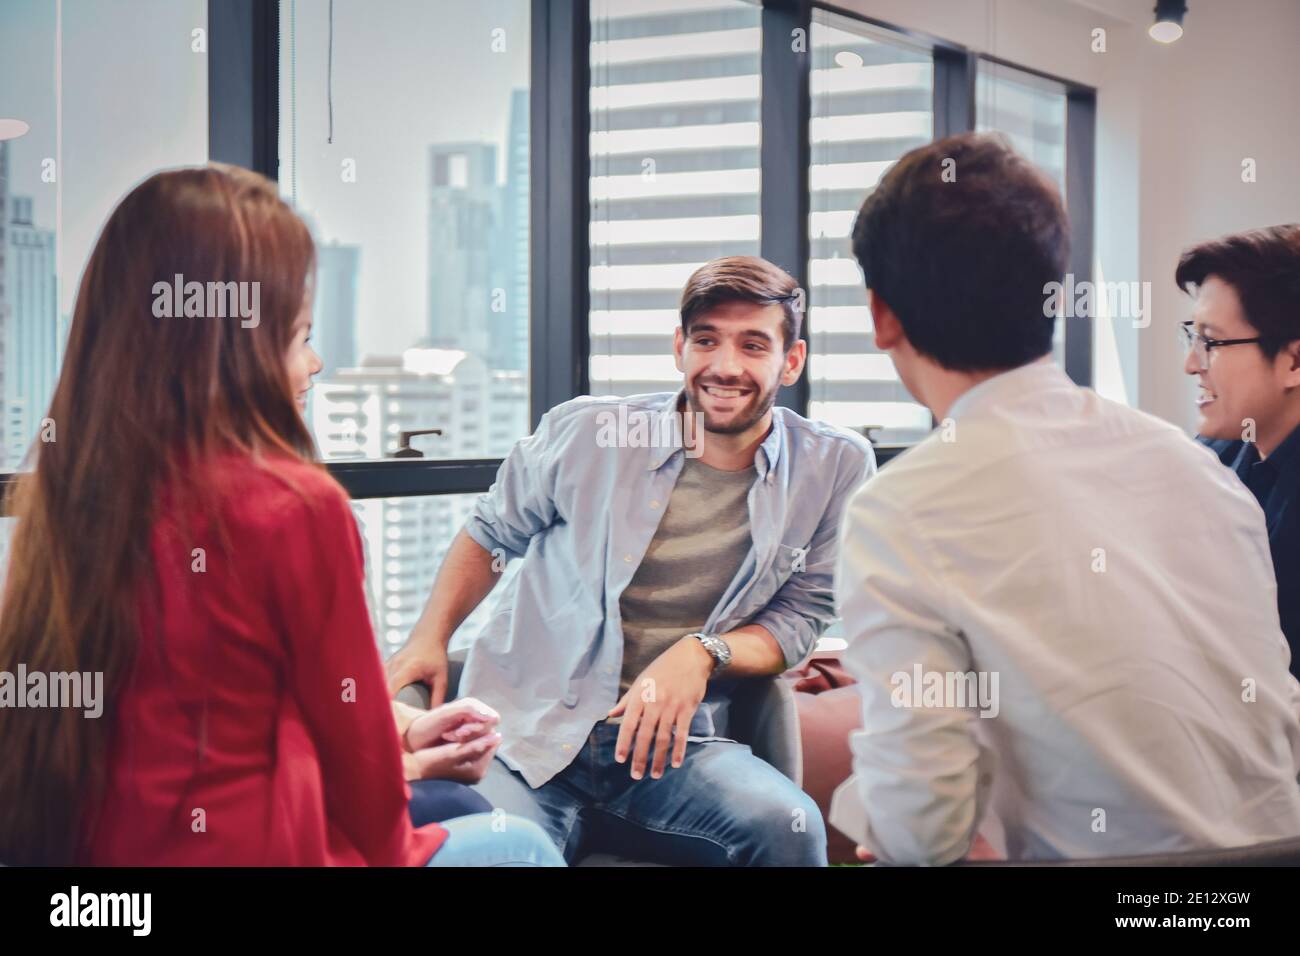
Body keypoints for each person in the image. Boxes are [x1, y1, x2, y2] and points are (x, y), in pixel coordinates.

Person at [0, 164, 561, 867]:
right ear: (232, 349)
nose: (315, 363)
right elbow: (371, 814)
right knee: (524, 846)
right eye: (299, 337)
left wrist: (403, 746)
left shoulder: (66, 495)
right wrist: (399, 779)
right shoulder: (293, 509)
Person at [827, 132, 1300, 865]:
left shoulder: (899, 511)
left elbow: (922, 828)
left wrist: (891, 830)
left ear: (881, 315)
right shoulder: (1200, 469)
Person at [387, 256, 875, 866]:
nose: (725, 367)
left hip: (676, 748)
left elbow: (802, 618)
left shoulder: (835, 467)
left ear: (791, 360)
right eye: (706, 341)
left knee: (789, 829)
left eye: (753, 345)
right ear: (679, 348)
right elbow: (491, 533)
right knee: (508, 850)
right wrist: (430, 637)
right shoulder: (589, 433)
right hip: (526, 734)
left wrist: (702, 652)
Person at [1177, 225, 1300, 678]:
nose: (1192, 363)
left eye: (1212, 341)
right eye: (1192, 336)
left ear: (1293, 362)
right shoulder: (1210, 459)